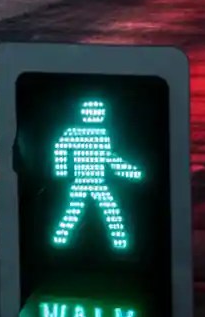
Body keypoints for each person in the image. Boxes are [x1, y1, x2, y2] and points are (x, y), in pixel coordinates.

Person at [50, 100, 143, 250]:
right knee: (87, 212)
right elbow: (60, 148)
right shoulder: (75, 133)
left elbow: (109, 158)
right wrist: (62, 171)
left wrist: (129, 171)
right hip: (86, 182)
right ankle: (61, 240)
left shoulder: (100, 134)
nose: (98, 115)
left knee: (100, 211)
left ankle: (62, 239)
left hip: (94, 182)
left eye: (99, 112)